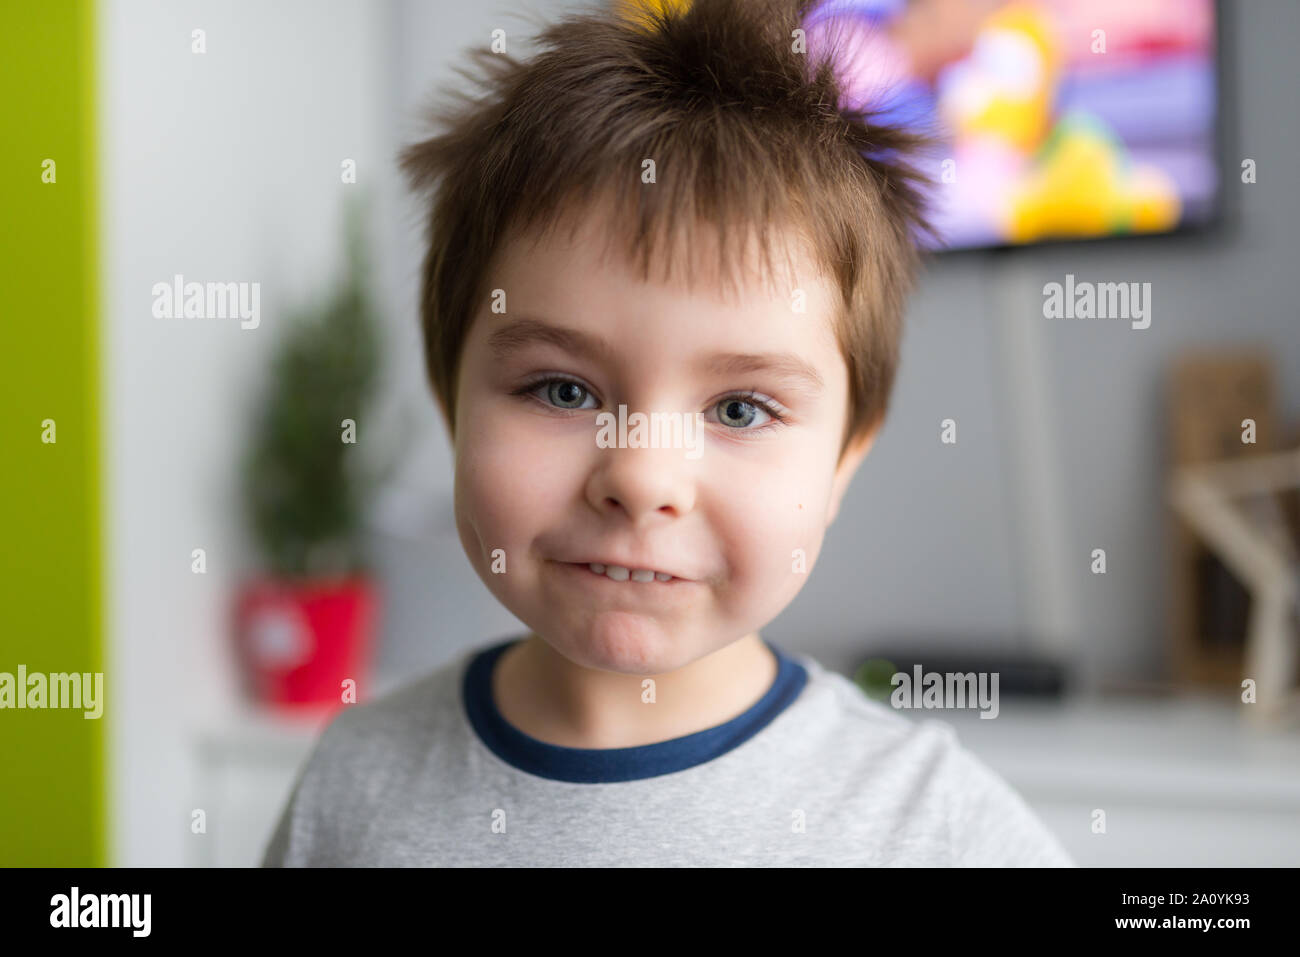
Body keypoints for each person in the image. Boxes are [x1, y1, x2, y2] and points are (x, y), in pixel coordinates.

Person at [263, 0, 1074, 867]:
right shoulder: (354, 784)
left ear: (846, 456)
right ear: (449, 399)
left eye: (739, 409)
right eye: (563, 388)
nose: (643, 475)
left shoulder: (937, 830)